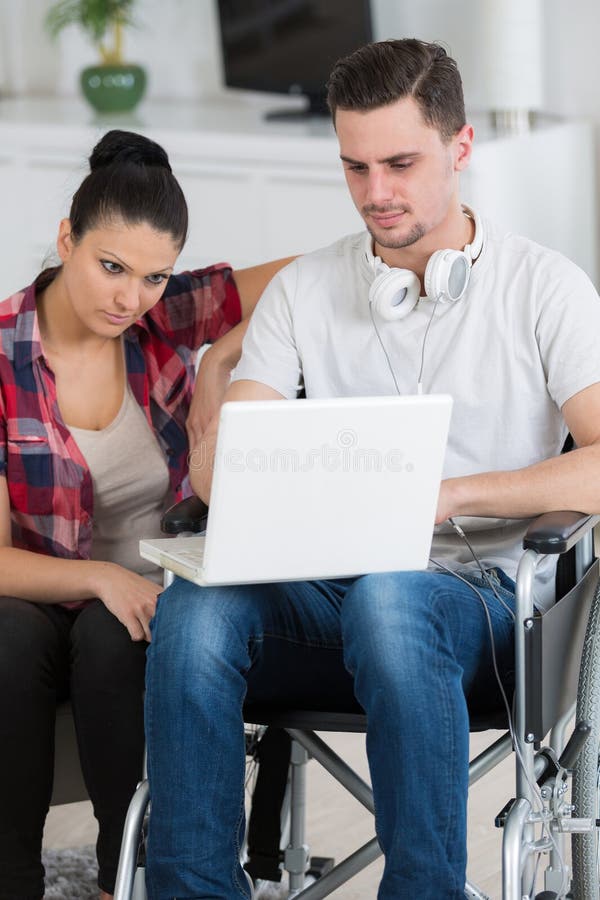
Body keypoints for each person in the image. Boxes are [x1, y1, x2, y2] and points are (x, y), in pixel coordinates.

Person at [144, 39, 600, 900]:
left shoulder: (546, 290)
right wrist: (222, 398)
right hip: (328, 600)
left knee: (395, 594)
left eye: (399, 163)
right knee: (196, 609)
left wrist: (449, 497)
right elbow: (233, 468)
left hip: (488, 610)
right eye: (355, 167)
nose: (375, 193)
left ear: (461, 148)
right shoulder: (308, 291)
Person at [0, 128, 295, 900]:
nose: (130, 298)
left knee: (114, 634)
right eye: (111, 267)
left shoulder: (161, 321)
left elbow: (312, 275)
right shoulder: (2, 359)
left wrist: (219, 362)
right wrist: (99, 576)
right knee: (10, 633)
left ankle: (119, 881)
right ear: (67, 238)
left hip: (152, 595)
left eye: (154, 276)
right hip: (33, 591)